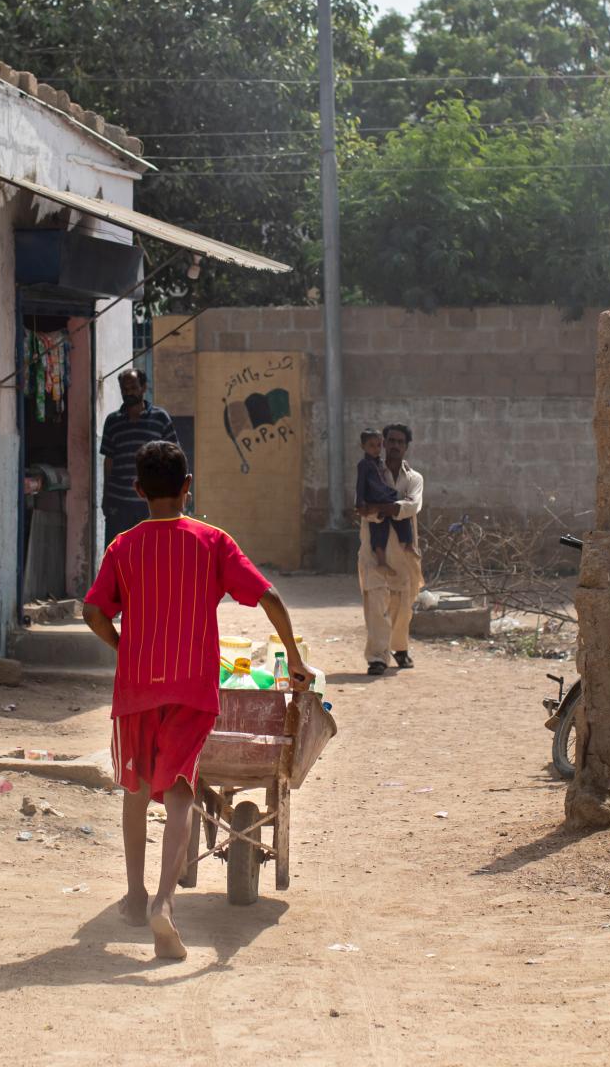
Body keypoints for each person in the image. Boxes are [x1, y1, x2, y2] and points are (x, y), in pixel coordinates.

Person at [82, 441, 312, 960]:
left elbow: (93, 611)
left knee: (136, 788)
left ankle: (137, 894)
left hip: (137, 688)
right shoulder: (212, 541)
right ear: (188, 486)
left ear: (139, 491)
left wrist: (125, 649)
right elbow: (268, 596)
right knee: (182, 788)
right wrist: (294, 658)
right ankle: (165, 901)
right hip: (192, 688)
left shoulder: (122, 546)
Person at [354, 422, 424, 676]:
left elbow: (412, 506)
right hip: (374, 551)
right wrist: (389, 508)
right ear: (383, 443)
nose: (394, 446)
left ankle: (399, 648)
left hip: (404, 553)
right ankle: (377, 657)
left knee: (402, 605)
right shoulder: (373, 471)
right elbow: (365, 511)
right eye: (390, 441)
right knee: (375, 601)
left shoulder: (414, 478)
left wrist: (383, 507)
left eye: (400, 442)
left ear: (406, 447)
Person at [98, 368, 177, 545]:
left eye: (133, 387)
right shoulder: (113, 421)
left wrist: (174, 495)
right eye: (125, 389)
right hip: (119, 505)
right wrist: (105, 497)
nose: (129, 393)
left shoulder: (160, 418)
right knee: (118, 554)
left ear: (143, 387)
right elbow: (108, 462)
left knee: (150, 555)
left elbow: (174, 458)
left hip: (151, 504)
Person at [355, 427, 412, 569]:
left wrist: (405, 465)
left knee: (401, 515)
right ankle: (381, 561)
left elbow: (409, 507)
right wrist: (360, 503)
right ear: (363, 447)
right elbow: (360, 485)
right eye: (371, 446)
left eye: (378, 445)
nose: (376, 449)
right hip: (376, 498)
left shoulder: (380, 463)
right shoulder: (364, 464)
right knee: (378, 529)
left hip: (385, 497)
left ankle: (408, 545)